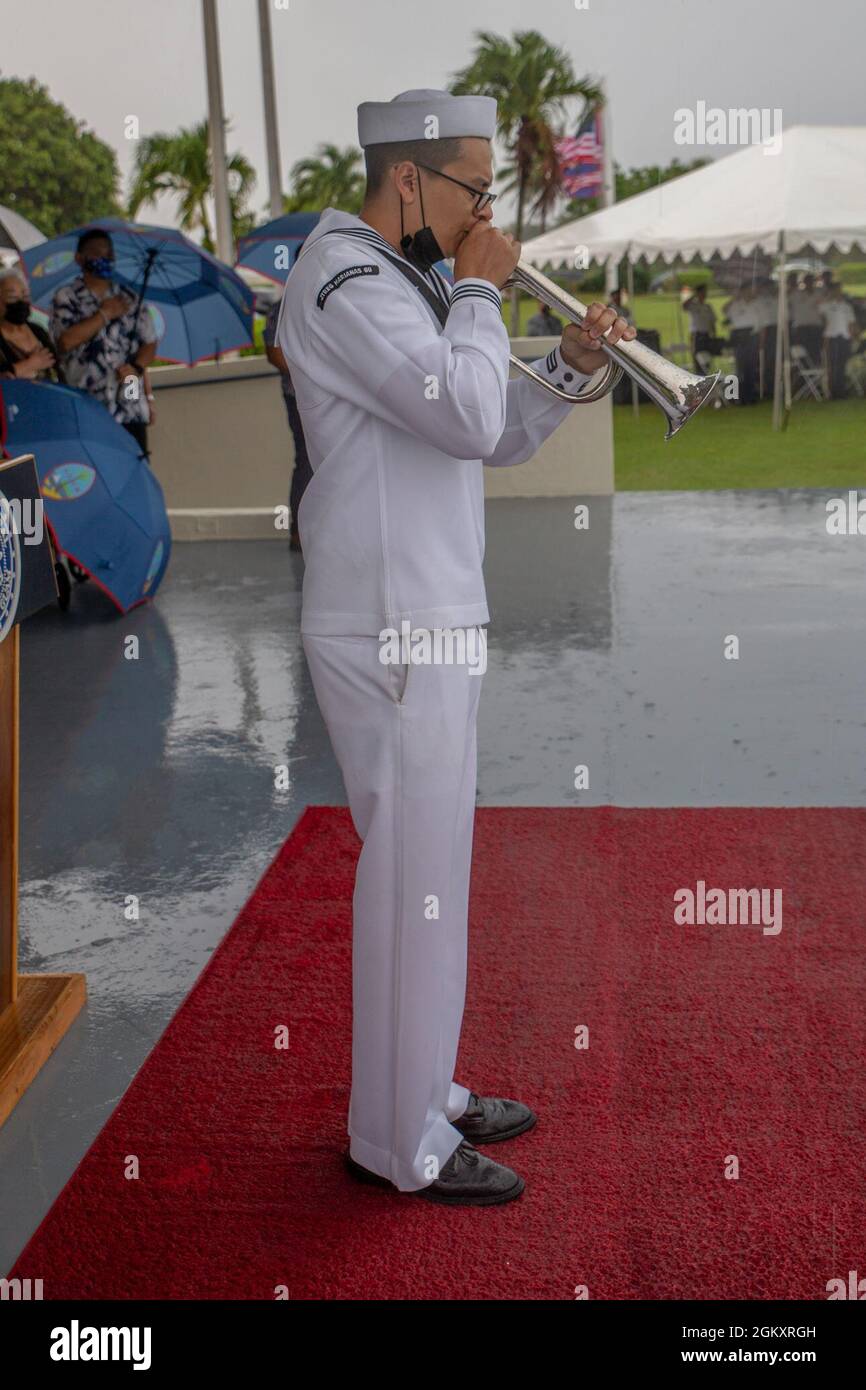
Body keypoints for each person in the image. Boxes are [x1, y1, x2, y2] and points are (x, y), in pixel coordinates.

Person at [276, 87, 635, 1206]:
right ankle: (398, 1143)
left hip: (426, 614)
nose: (490, 212)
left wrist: (570, 364)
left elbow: (480, 437)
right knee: (411, 887)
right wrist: (479, 285)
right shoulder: (342, 281)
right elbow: (466, 414)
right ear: (409, 181)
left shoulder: (400, 282)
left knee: (428, 881)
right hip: (392, 623)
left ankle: (420, 1091)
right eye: (476, 189)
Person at [50, 228, 158, 456]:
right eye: (98, 253)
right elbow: (64, 343)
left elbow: (149, 343)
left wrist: (137, 369)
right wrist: (104, 314)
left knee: (136, 467)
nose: (106, 258)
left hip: (129, 399)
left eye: (110, 254)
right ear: (80, 259)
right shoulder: (66, 297)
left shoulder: (129, 297)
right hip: (88, 405)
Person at [263, 287, 313, 552]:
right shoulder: (282, 307)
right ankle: (298, 532)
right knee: (306, 458)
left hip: (334, 396)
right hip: (299, 396)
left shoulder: (334, 298)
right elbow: (274, 353)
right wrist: (311, 375)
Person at [0, 268, 62, 381]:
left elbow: (58, 370)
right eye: (12, 297)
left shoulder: (38, 331)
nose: (20, 302)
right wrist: (29, 365)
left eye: (25, 296)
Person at [819, 280, 859, 398]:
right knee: (833, 365)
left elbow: (851, 323)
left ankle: (841, 390)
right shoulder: (827, 305)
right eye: (836, 289)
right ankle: (833, 392)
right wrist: (829, 298)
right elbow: (821, 315)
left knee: (841, 365)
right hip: (832, 337)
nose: (839, 292)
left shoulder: (847, 306)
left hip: (844, 337)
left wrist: (853, 337)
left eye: (840, 289)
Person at [723, 285, 758, 404]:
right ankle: (738, 397)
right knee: (740, 368)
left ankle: (750, 395)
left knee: (750, 367)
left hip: (751, 335)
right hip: (739, 335)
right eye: (746, 291)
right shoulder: (735, 304)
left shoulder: (754, 304)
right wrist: (734, 299)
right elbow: (724, 311)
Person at [789, 272, 824, 364]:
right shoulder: (796, 294)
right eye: (807, 280)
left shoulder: (819, 294)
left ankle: (814, 374)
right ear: (803, 282)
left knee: (815, 351)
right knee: (802, 353)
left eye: (811, 280)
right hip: (801, 327)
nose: (809, 282)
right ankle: (801, 375)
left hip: (816, 327)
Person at [683, 284, 716, 371]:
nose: (705, 294)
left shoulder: (708, 306)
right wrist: (694, 295)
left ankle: (706, 378)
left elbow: (712, 322)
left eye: (705, 292)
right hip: (696, 336)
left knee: (707, 360)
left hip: (707, 335)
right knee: (697, 360)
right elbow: (684, 306)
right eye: (703, 292)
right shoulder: (693, 305)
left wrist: (714, 336)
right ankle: (698, 379)